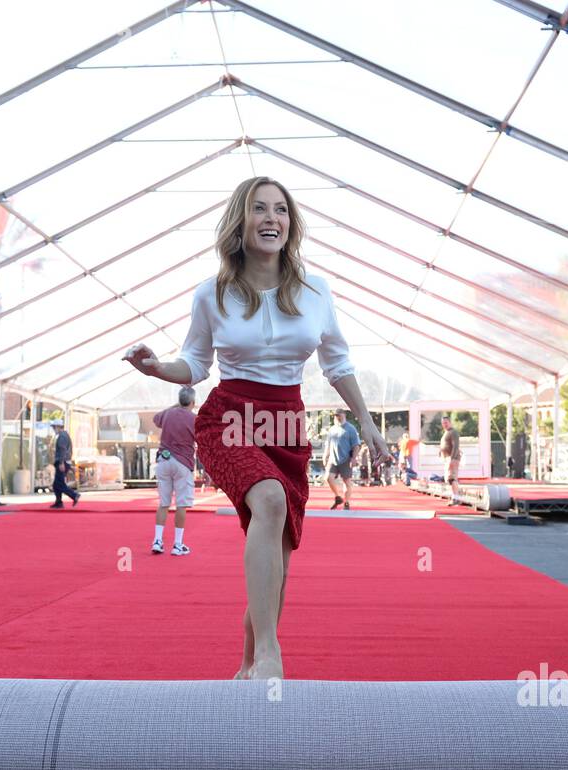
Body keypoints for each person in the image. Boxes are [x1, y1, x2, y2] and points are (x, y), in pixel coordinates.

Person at [122, 176, 388, 680]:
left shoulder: (316, 291)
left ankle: (247, 664)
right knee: (268, 500)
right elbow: (195, 364)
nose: (272, 218)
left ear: (291, 224)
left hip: (286, 424)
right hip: (229, 417)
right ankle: (270, 653)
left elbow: (338, 364)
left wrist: (368, 423)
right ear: (239, 222)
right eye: (260, 209)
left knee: (279, 564)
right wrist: (158, 368)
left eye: (281, 210)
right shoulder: (211, 294)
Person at [151, 387, 197, 554]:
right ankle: (178, 544)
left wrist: (175, 405)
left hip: (163, 460)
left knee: (163, 503)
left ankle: (157, 540)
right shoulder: (194, 419)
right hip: (182, 462)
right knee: (181, 504)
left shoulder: (168, 414)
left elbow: (156, 419)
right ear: (193, 402)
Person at [323, 410, 360, 510]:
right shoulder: (332, 429)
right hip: (333, 459)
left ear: (344, 415)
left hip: (346, 459)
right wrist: (325, 455)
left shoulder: (350, 429)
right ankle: (337, 497)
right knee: (328, 478)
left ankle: (346, 502)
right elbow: (328, 444)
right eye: (336, 415)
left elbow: (356, 445)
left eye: (339, 415)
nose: (337, 417)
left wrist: (354, 458)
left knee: (346, 481)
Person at [49, 420, 80, 509]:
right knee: (56, 484)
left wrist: (62, 462)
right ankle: (59, 502)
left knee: (60, 484)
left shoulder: (62, 437)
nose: (54, 429)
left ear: (58, 427)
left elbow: (62, 450)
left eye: (54, 427)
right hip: (65, 461)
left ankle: (74, 495)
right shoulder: (65, 435)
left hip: (62, 462)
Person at [440, 415, 462, 502]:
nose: (444, 424)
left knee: (452, 478)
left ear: (450, 422)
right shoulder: (446, 432)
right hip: (447, 458)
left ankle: (456, 498)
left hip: (452, 458)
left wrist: (452, 459)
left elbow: (455, 446)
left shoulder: (453, 432)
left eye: (446, 422)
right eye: (443, 423)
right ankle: (454, 496)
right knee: (449, 478)